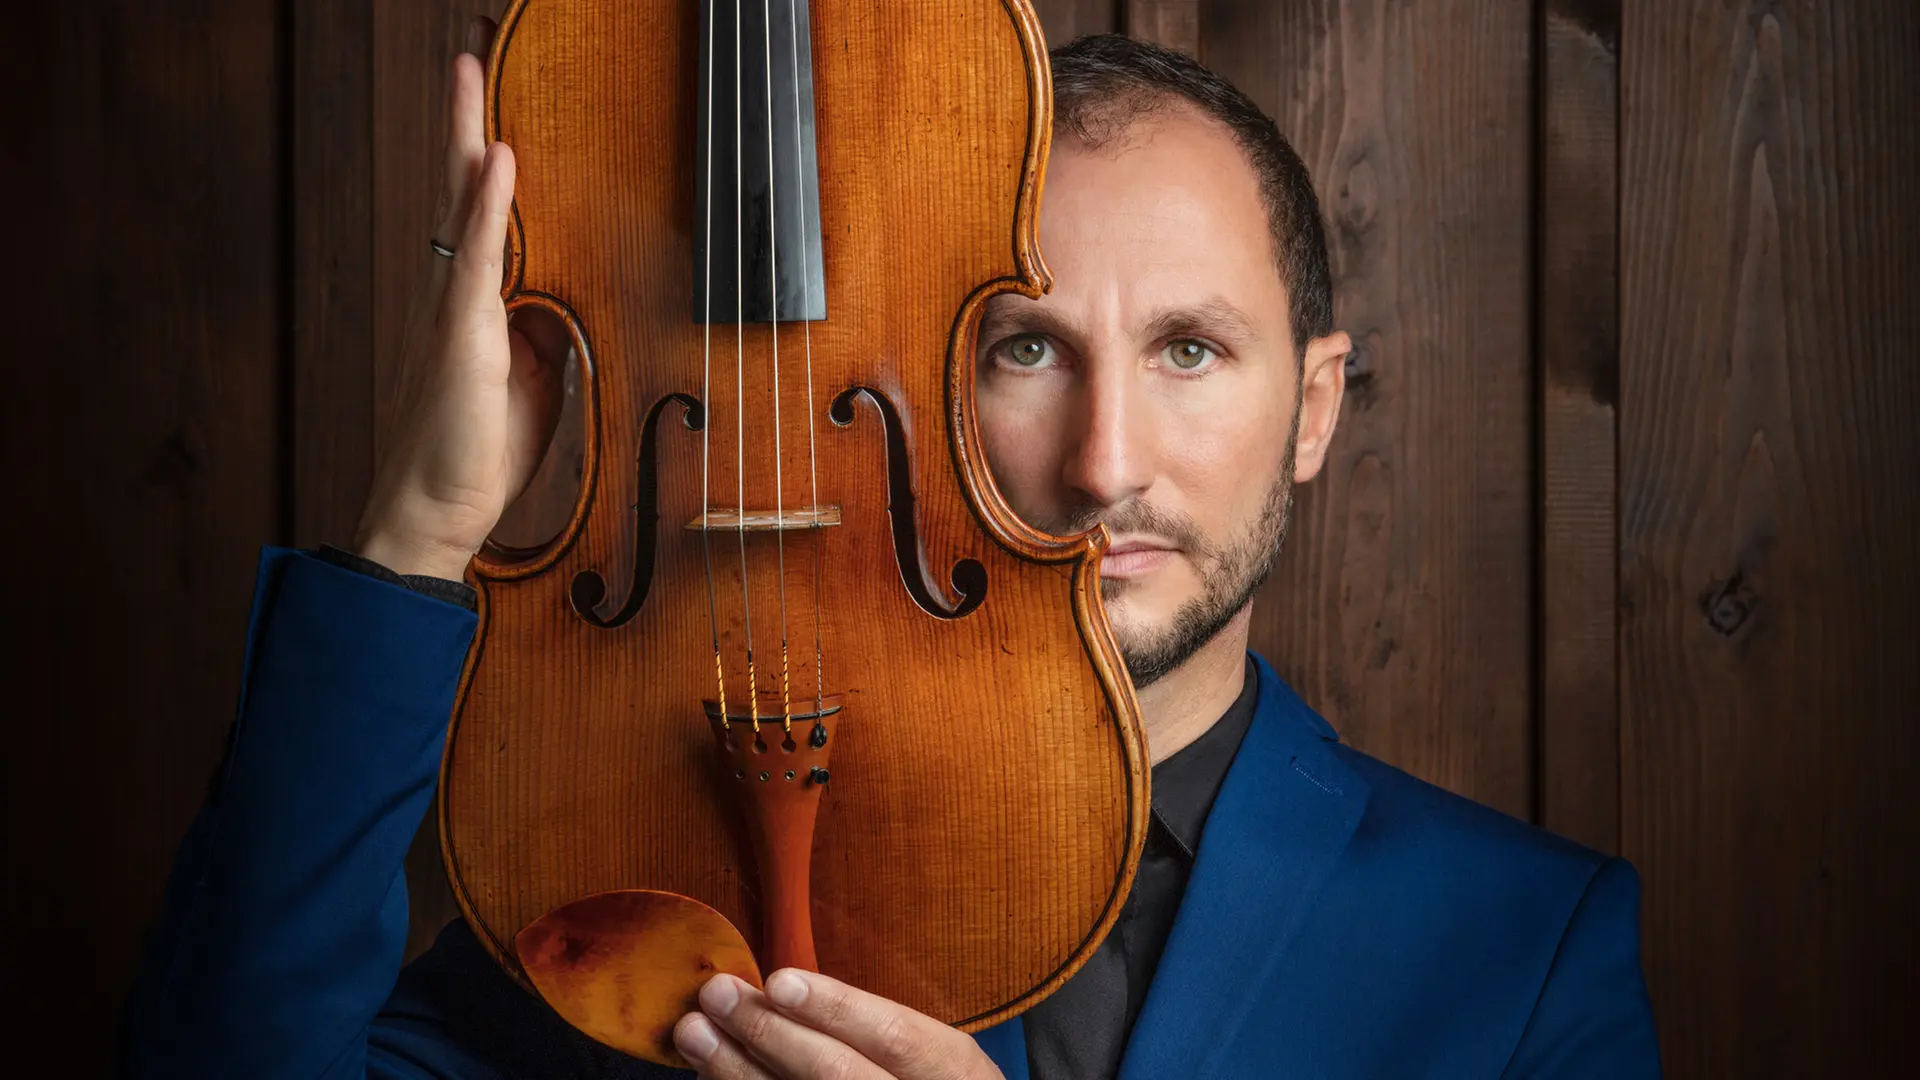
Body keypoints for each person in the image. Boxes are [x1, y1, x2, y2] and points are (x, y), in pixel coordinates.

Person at [116, 25, 1662, 1080]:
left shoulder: (1526, 950)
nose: (1105, 461)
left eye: (1191, 351)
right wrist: (418, 531)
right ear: (914, 377)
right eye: (1024, 349)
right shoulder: (648, 861)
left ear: (1313, 409)